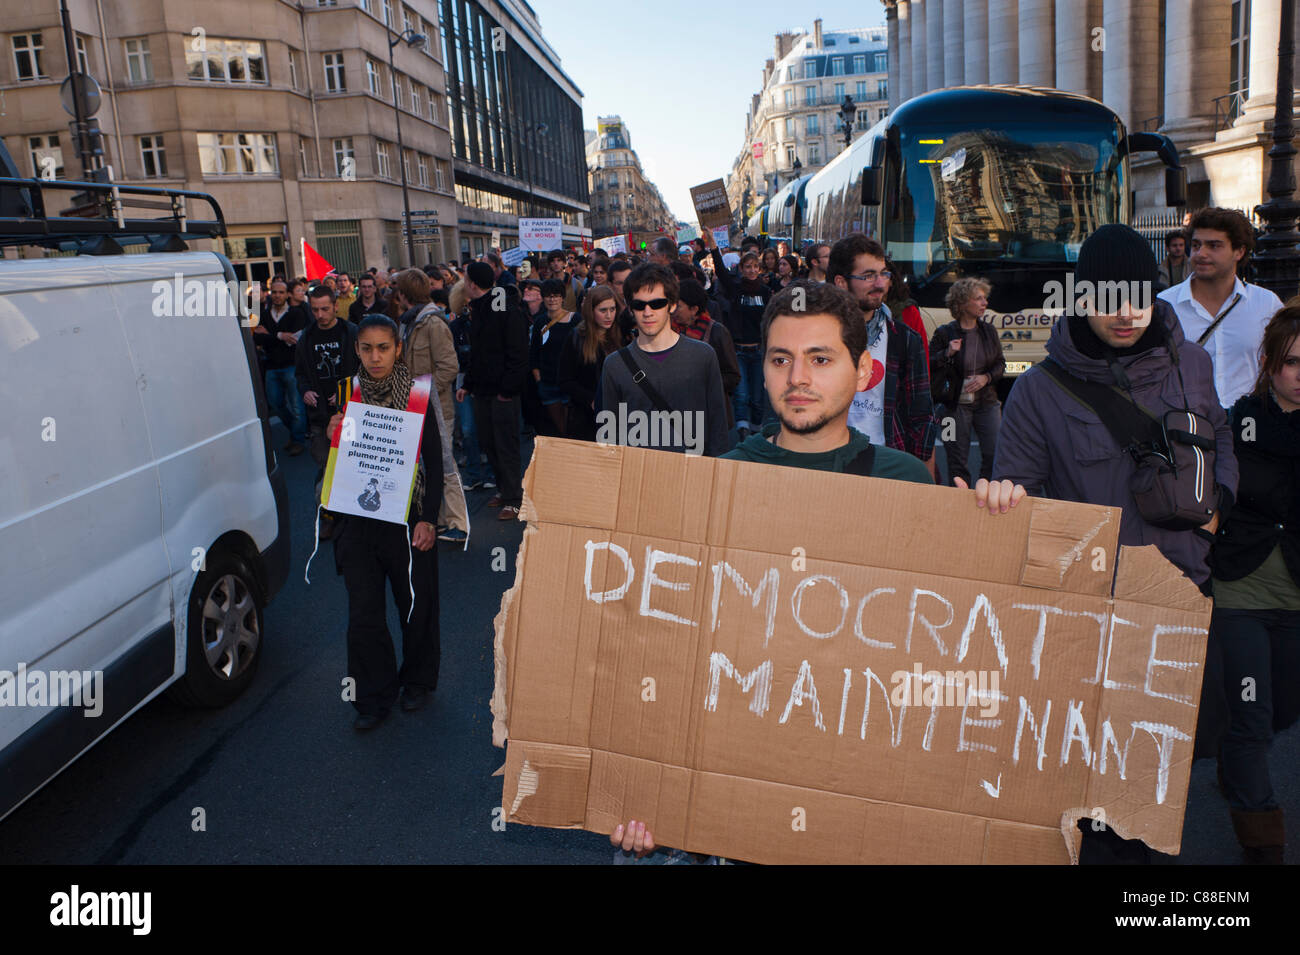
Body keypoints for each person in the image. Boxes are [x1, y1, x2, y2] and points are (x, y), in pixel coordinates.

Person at [992, 223, 1238, 863]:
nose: (1124, 314)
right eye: (1106, 298)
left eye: (1137, 296)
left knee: (1162, 785)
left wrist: (1219, 513)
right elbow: (1020, 496)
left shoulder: (1193, 362)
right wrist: (1003, 501)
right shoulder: (1038, 390)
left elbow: (1222, 445)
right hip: (1090, 615)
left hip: (1181, 597)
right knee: (1093, 791)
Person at [1206, 305, 1300, 864]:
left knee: (1283, 711)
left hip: (1296, 596)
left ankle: (1234, 760)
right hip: (1240, 590)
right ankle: (1264, 845)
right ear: (1268, 364)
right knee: (1252, 715)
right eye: (1291, 363)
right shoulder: (1238, 422)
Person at [325, 314, 442, 731]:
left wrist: (429, 519)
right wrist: (332, 432)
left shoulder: (419, 394)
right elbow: (331, 462)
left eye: (384, 348)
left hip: (407, 516)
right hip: (356, 519)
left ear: (398, 348)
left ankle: (417, 681)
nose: (375, 357)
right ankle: (373, 697)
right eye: (367, 348)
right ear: (357, 349)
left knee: (415, 603)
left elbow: (435, 459)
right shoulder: (345, 392)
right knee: (364, 614)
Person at [598, 263, 730, 457]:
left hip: (693, 474)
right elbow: (609, 436)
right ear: (629, 308)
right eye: (639, 305)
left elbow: (718, 426)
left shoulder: (703, 356)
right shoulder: (614, 365)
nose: (648, 312)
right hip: (637, 477)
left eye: (657, 304)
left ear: (673, 304)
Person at [1158, 207, 1283, 409]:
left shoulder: (1266, 304)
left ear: (1239, 251)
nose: (1201, 254)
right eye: (1196, 245)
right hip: (1186, 424)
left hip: (1249, 424)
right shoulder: (1164, 305)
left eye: (1214, 246)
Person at [829, 233, 937, 464]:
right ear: (841, 282)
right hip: (828, 460)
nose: (880, 284)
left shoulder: (905, 339)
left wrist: (924, 478)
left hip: (886, 461)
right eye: (868, 276)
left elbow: (921, 417)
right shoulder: (816, 337)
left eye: (883, 274)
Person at [394, 268, 469, 546]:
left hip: (435, 408)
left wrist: (423, 394)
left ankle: (459, 523)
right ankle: (437, 519)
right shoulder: (408, 323)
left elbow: (449, 367)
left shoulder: (432, 324)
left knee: (446, 465)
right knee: (427, 466)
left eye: (397, 291)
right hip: (415, 407)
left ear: (403, 294)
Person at [455, 261, 529, 521]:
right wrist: (468, 384)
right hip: (483, 391)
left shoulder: (505, 309)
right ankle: (503, 489)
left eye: (465, 280)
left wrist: (507, 390)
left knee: (506, 445)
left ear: (473, 284)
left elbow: (518, 354)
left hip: (502, 392)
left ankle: (514, 499)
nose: (463, 284)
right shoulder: (480, 308)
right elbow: (479, 353)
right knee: (489, 444)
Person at [296, 285, 359, 540]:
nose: (320, 315)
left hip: (350, 413)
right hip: (320, 417)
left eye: (324, 309)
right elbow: (299, 373)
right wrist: (305, 390)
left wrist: (347, 391)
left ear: (335, 306)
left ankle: (353, 516)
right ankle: (328, 517)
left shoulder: (351, 332)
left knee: (352, 465)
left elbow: (364, 371)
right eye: (314, 310)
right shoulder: (307, 337)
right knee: (326, 467)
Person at [929, 278, 1005, 486]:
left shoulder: (989, 331)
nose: (985, 303)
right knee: (956, 458)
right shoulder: (944, 333)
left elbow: (1000, 365)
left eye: (985, 298)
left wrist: (985, 378)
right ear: (962, 303)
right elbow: (929, 364)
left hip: (986, 403)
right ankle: (959, 503)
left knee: (995, 453)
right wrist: (947, 353)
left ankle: (985, 492)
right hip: (951, 407)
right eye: (978, 299)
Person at [704, 227, 774, 436]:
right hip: (739, 351)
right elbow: (721, 270)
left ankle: (756, 432)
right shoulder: (735, 287)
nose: (752, 270)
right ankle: (743, 436)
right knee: (742, 396)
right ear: (741, 269)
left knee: (758, 398)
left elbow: (772, 320)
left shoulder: (766, 292)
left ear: (760, 270)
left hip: (759, 351)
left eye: (755, 267)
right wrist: (713, 245)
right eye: (748, 267)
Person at [558, 284, 627, 442]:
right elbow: (564, 380)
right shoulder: (576, 337)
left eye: (612, 309)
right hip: (587, 421)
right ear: (591, 311)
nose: (609, 315)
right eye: (603, 310)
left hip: (620, 418)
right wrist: (591, 399)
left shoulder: (622, 335)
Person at [672, 279, 741, 429]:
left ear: (694, 309)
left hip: (710, 414)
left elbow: (733, 376)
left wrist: (704, 382)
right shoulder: (669, 332)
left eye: (678, 306)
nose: (673, 310)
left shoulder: (717, 332)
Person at [257, 277, 308, 456]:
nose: (277, 295)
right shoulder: (262, 314)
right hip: (271, 366)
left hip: (291, 365)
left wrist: (269, 335)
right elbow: (256, 338)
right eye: (274, 292)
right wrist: (279, 335)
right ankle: (298, 430)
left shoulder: (296, 313)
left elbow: (294, 339)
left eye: (281, 292)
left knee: (296, 406)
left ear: (287, 294)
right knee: (275, 403)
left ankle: (297, 439)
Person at [530, 278, 577, 437]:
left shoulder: (576, 320)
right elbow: (534, 353)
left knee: (573, 428)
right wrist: (539, 381)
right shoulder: (539, 322)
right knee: (560, 430)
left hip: (571, 382)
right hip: (548, 383)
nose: (552, 299)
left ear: (563, 297)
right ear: (543, 298)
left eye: (556, 295)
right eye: (548, 296)